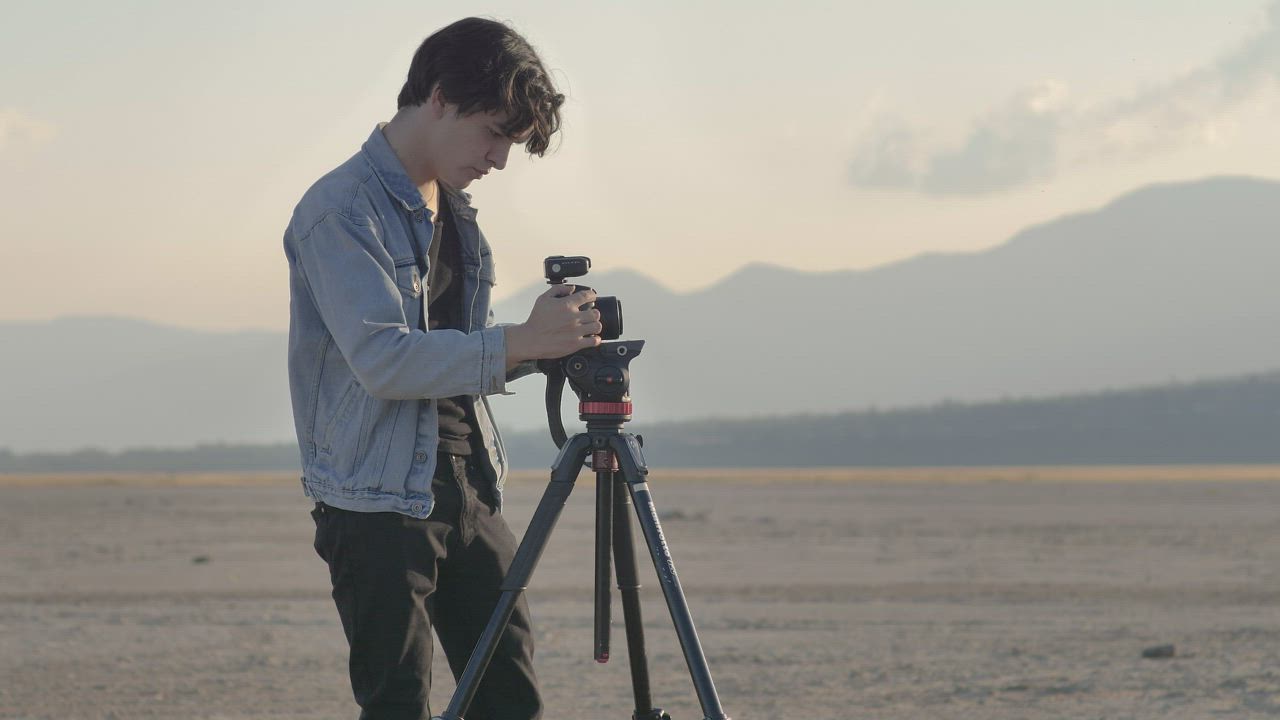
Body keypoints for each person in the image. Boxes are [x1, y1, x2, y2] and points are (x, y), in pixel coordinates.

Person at [282, 17, 602, 720]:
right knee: (398, 704)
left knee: (509, 694)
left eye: (510, 143)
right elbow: (385, 360)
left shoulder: (458, 215)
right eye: (493, 132)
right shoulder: (339, 211)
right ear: (437, 96)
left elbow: (454, 352)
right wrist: (517, 341)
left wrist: (545, 346)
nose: (499, 158)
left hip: (469, 484)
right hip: (377, 501)